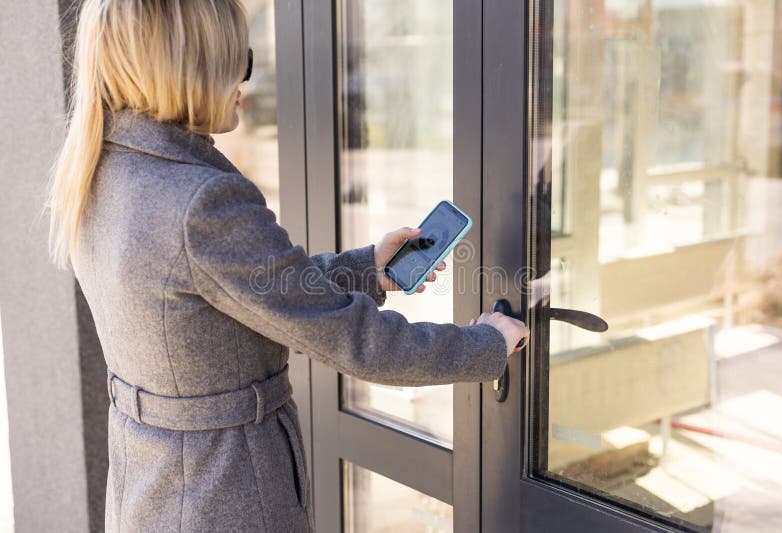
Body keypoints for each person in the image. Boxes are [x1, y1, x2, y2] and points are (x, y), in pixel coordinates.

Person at [44, 1, 529, 531]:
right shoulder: (201, 202)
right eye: (239, 61)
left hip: (151, 487)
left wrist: (364, 269)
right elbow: (357, 340)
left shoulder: (103, 169)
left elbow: (231, 294)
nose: (246, 81)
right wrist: (485, 346)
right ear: (192, 69)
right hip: (223, 492)